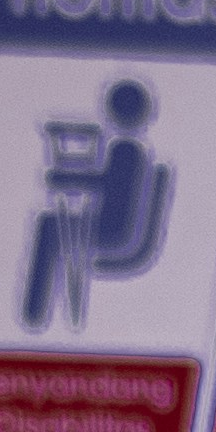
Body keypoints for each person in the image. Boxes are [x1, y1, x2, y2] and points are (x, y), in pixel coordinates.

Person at [25, 82, 168, 331]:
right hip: (110, 224)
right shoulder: (129, 149)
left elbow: (107, 186)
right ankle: (36, 312)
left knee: (49, 227)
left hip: (114, 231)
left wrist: (63, 179)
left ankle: (34, 311)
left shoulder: (126, 150)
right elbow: (104, 184)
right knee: (50, 223)